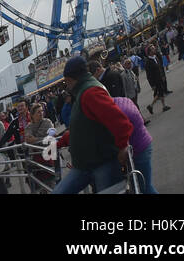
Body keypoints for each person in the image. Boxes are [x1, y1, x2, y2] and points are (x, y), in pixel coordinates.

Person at [52, 56, 132, 194]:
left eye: (66, 81)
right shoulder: (83, 91)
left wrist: (123, 145)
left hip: (101, 162)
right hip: (86, 164)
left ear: (70, 79)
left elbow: (119, 121)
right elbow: (87, 125)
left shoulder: (90, 92)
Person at [112, 95, 157, 193]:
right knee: (143, 186)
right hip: (143, 144)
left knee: (144, 187)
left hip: (139, 149)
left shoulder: (116, 112)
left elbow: (124, 132)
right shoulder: (122, 100)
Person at [143, 45, 171, 114]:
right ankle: (163, 106)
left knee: (159, 93)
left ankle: (151, 106)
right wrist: (152, 85)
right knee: (160, 93)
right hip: (156, 80)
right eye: (152, 49)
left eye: (154, 48)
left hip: (160, 78)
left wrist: (163, 75)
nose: (154, 49)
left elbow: (160, 67)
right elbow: (148, 75)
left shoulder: (155, 57)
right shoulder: (148, 62)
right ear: (149, 52)